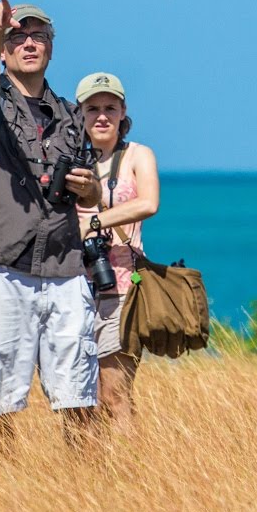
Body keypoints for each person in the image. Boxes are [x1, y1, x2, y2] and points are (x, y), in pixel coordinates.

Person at [0, 0, 102, 444]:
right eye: (18, 37)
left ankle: (85, 491)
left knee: (79, 394)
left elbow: (95, 189)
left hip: (64, 265)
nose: (28, 44)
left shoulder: (69, 114)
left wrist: (87, 188)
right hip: (2, 263)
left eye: (38, 36)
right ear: (5, 49)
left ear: (51, 49)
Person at [73, 72, 159, 435]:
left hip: (122, 288)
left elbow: (149, 203)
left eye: (110, 107)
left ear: (124, 112)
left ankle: (129, 471)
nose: (102, 116)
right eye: (92, 108)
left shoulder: (138, 155)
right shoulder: (70, 159)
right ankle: (88, 476)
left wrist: (94, 224)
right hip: (74, 286)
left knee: (114, 392)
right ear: (79, 114)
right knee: (77, 397)